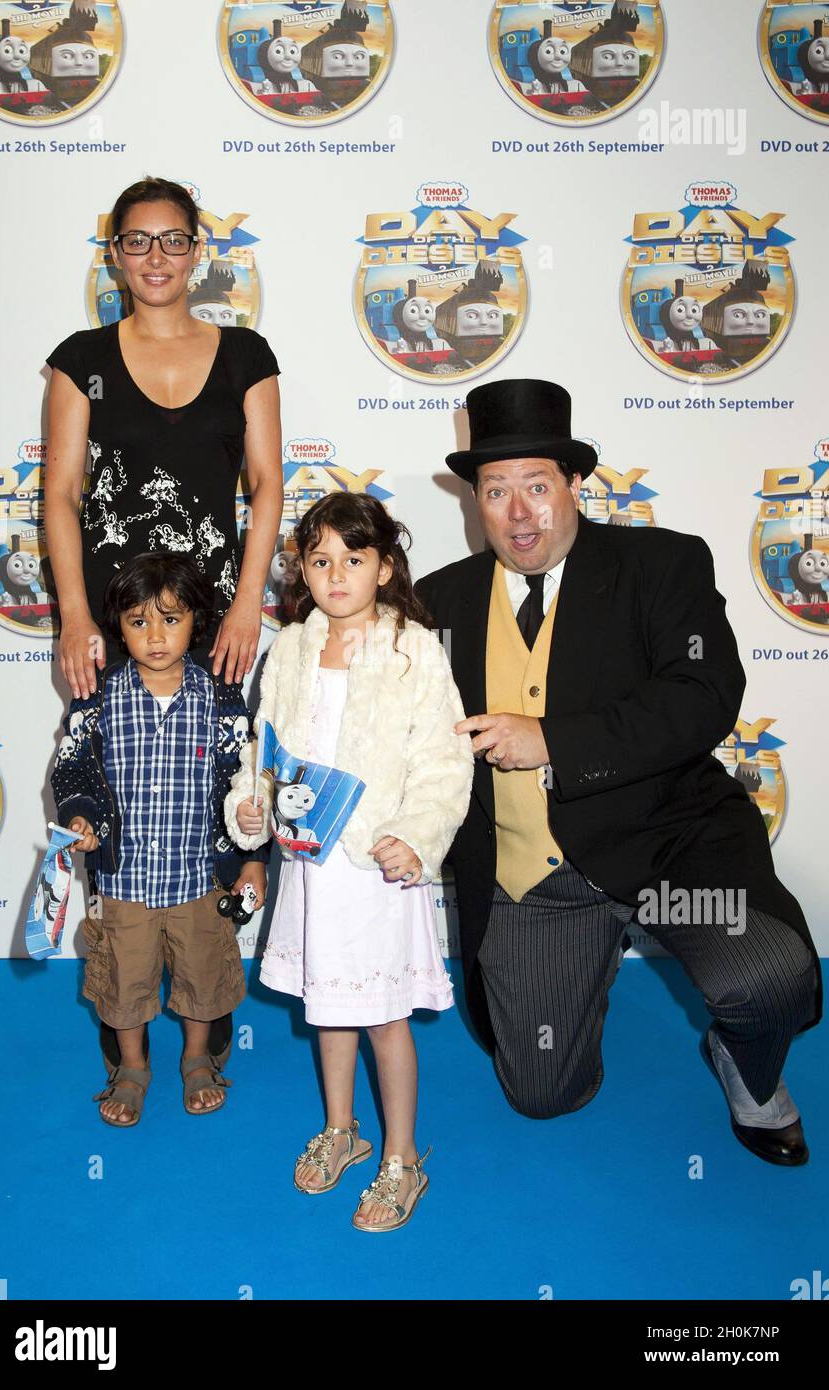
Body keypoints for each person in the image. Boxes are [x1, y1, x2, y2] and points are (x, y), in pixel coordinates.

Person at [416, 378, 821, 1166]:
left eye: (537, 485)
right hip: (538, 881)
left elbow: (704, 696)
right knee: (540, 1093)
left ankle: (745, 1066)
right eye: (496, 491)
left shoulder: (662, 563)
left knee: (768, 979)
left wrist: (554, 740)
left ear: (574, 484)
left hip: (667, 850)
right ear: (476, 501)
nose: (519, 512)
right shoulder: (438, 600)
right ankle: (577, 985)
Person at [44, 174, 283, 1071]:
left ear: (198, 250)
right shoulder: (81, 358)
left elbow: (266, 489)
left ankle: (207, 1003)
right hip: (111, 629)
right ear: (114, 253)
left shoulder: (246, 356)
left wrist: (251, 603)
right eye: (136, 241)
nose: (155, 258)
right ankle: (126, 1012)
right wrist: (74, 615)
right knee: (117, 809)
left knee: (215, 799)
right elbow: (59, 494)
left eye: (172, 240)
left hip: (213, 627)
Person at [224, 494, 473, 1229]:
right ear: (301, 568)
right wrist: (252, 805)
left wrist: (416, 837)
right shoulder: (293, 648)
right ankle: (344, 1129)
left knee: (382, 1016)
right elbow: (263, 751)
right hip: (309, 867)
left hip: (376, 868)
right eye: (321, 560)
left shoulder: (413, 649)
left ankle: (402, 1155)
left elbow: (443, 760)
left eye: (354, 559)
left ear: (384, 567)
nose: (336, 575)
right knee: (327, 1006)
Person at [51, 553, 268, 1126]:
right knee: (123, 981)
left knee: (202, 977)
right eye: (138, 621)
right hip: (124, 880)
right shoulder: (97, 697)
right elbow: (71, 769)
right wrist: (80, 817)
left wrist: (252, 859)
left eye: (171, 620)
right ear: (116, 625)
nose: (155, 636)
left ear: (197, 620)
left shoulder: (221, 698)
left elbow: (245, 781)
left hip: (200, 877)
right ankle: (132, 1067)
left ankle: (197, 1058)